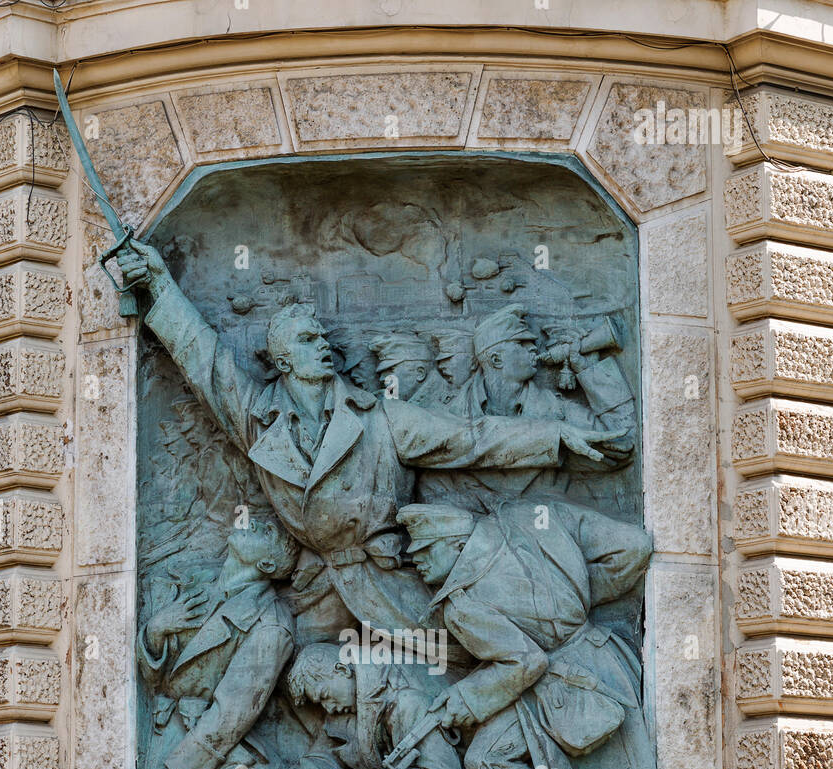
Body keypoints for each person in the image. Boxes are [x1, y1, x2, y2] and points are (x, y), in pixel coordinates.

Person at [115, 239, 619, 643]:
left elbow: (472, 439)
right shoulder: (256, 418)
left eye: (324, 338)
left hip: (390, 583)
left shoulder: (379, 417)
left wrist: (556, 437)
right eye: (309, 341)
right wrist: (159, 286)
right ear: (284, 360)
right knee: (270, 662)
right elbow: (204, 361)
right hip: (313, 588)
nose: (324, 347)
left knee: (468, 656)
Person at [396, 499, 658, 769]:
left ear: (458, 544)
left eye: (426, 550)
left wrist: (465, 698)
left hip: (559, 687)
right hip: (606, 659)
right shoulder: (530, 515)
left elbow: (528, 662)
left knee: (484, 760)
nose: (418, 562)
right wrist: (572, 604)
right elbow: (635, 546)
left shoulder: (461, 606)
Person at [132, 513, 299, 769]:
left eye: (267, 533)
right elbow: (151, 680)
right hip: (154, 734)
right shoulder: (187, 578)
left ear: (267, 566)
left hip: (200, 756)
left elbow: (233, 711)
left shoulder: (272, 625)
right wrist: (155, 630)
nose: (253, 521)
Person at [417, 305, 635, 513]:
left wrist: (590, 370)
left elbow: (622, 446)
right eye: (522, 343)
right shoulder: (449, 417)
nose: (534, 347)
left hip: (548, 531)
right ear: (496, 359)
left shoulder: (556, 410)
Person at [284, 642, 464, 769]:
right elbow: (324, 757)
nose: (328, 708)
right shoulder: (348, 705)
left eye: (324, 695)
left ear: (342, 670)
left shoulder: (406, 700)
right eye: (321, 704)